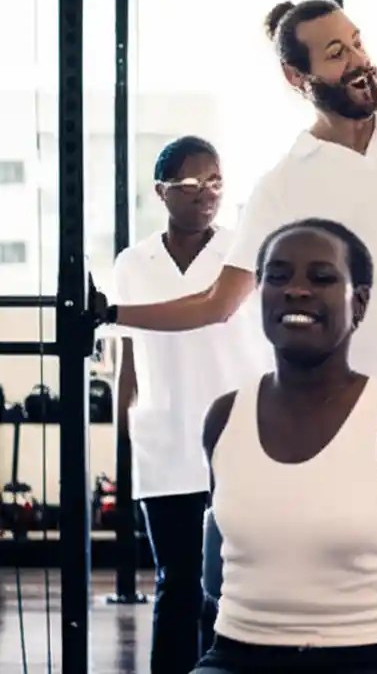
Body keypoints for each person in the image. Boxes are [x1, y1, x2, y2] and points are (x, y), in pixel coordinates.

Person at [87, 0, 377, 494]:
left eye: (357, 42)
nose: (357, 59)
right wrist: (112, 312)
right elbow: (219, 302)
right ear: (298, 77)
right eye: (337, 52)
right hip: (355, 397)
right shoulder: (284, 182)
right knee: (367, 552)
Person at [191, 218, 377, 674]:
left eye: (321, 278)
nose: (297, 290)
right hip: (238, 655)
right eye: (277, 276)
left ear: (357, 302)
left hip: (372, 657)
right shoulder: (223, 418)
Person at [110, 136, 270, 674]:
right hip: (167, 442)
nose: (206, 193)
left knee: (230, 583)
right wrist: (125, 428)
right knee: (176, 580)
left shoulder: (243, 252)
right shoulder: (133, 263)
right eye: (191, 183)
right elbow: (127, 358)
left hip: (237, 439)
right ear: (161, 191)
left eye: (216, 183)